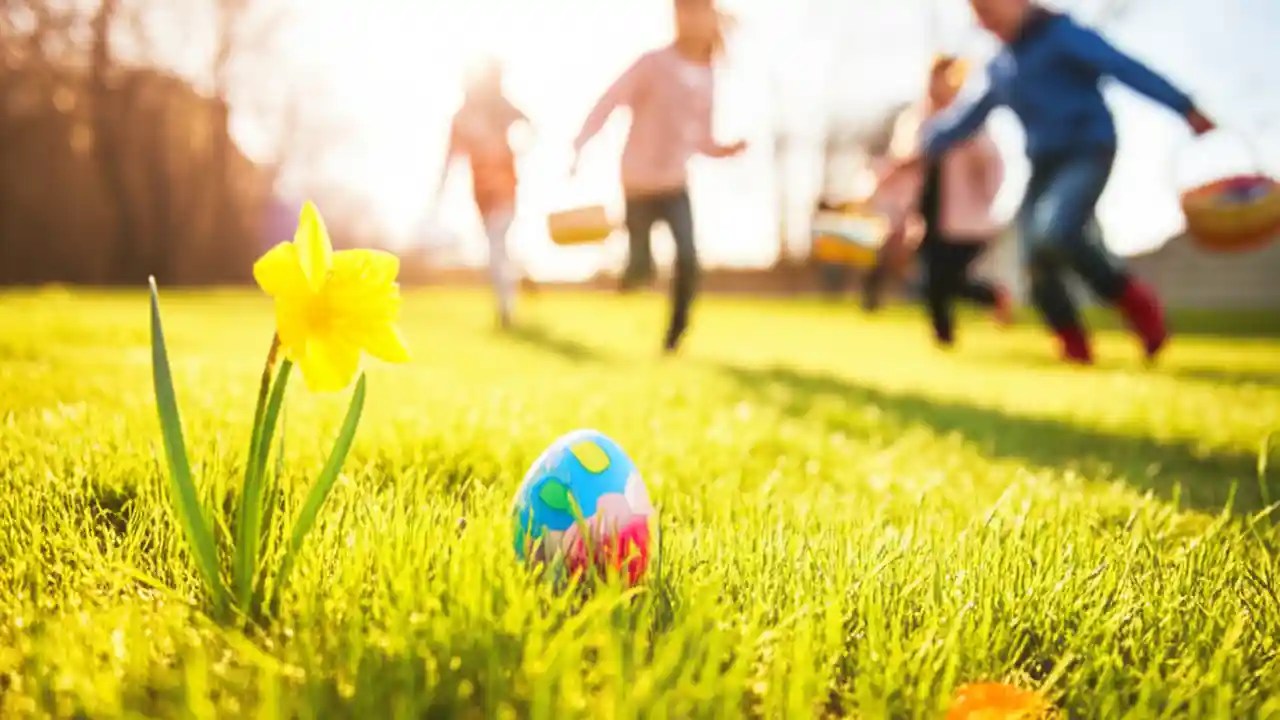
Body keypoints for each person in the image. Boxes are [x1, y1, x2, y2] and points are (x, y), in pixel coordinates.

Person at [884, 0, 1215, 364]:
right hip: (1042, 165)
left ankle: (1137, 303)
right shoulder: (1000, 67)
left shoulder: (1062, 35)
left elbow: (1123, 66)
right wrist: (915, 152)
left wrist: (1185, 106)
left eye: (988, 9)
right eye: (977, 14)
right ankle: (1074, 346)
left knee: (1055, 232)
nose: (983, 21)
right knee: (1031, 261)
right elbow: (963, 120)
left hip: (1088, 150)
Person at [571, 0, 747, 353]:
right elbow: (610, 100)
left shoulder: (708, 74)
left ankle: (673, 338)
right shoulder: (653, 64)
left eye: (699, 11)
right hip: (637, 182)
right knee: (641, 269)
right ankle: (630, 267)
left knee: (688, 257)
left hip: (674, 184)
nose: (691, 18)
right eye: (685, 11)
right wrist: (581, 143)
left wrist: (723, 150)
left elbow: (700, 137)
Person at [873, 56, 1012, 348]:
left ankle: (992, 296)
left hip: (965, 215)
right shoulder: (914, 120)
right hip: (925, 214)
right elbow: (904, 164)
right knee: (932, 278)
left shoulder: (967, 120)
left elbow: (992, 164)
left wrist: (985, 197)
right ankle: (944, 338)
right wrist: (891, 202)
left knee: (947, 277)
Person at [436, 57, 531, 329]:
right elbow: (450, 156)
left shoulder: (499, 106)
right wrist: (440, 192)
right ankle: (509, 296)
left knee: (497, 244)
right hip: (481, 193)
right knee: (495, 246)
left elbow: (529, 125)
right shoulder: (462, 118)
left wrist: (521, 148)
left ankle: (506, 308)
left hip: (505, 187)